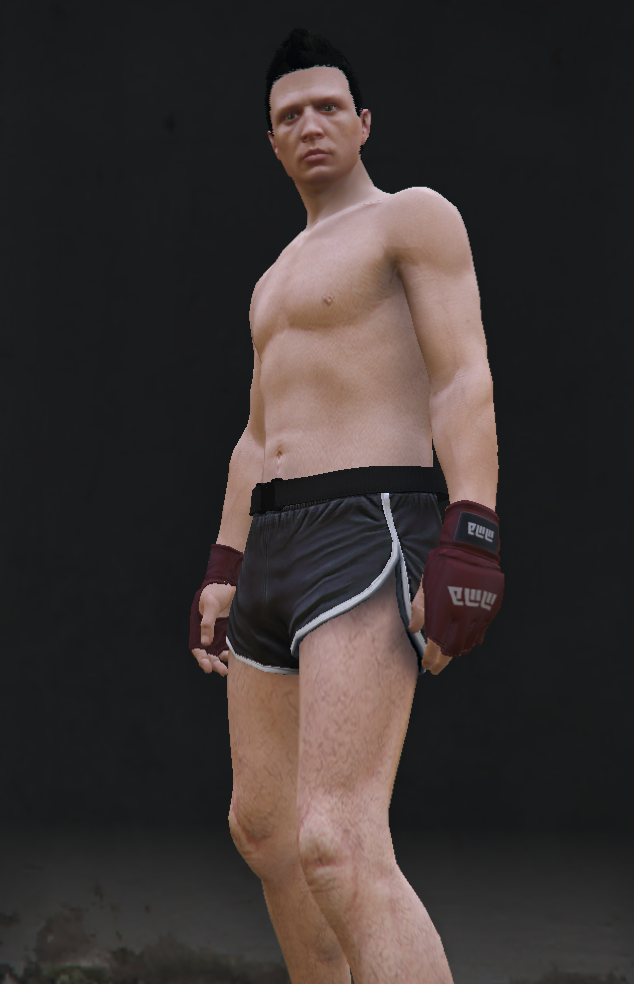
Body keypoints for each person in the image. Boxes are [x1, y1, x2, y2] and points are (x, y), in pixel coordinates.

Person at [189, 27, 503, 984]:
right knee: (265, 829)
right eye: (289, 115)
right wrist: (224, 564)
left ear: (364, 122)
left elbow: (462, 377)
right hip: (274, 541)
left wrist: (472, 533)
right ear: (272, 141)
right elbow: (257, 435)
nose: (310, 124)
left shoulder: (412, 218)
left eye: (328, 107)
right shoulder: (274, 278)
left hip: (369, 529)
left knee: (338, 838)